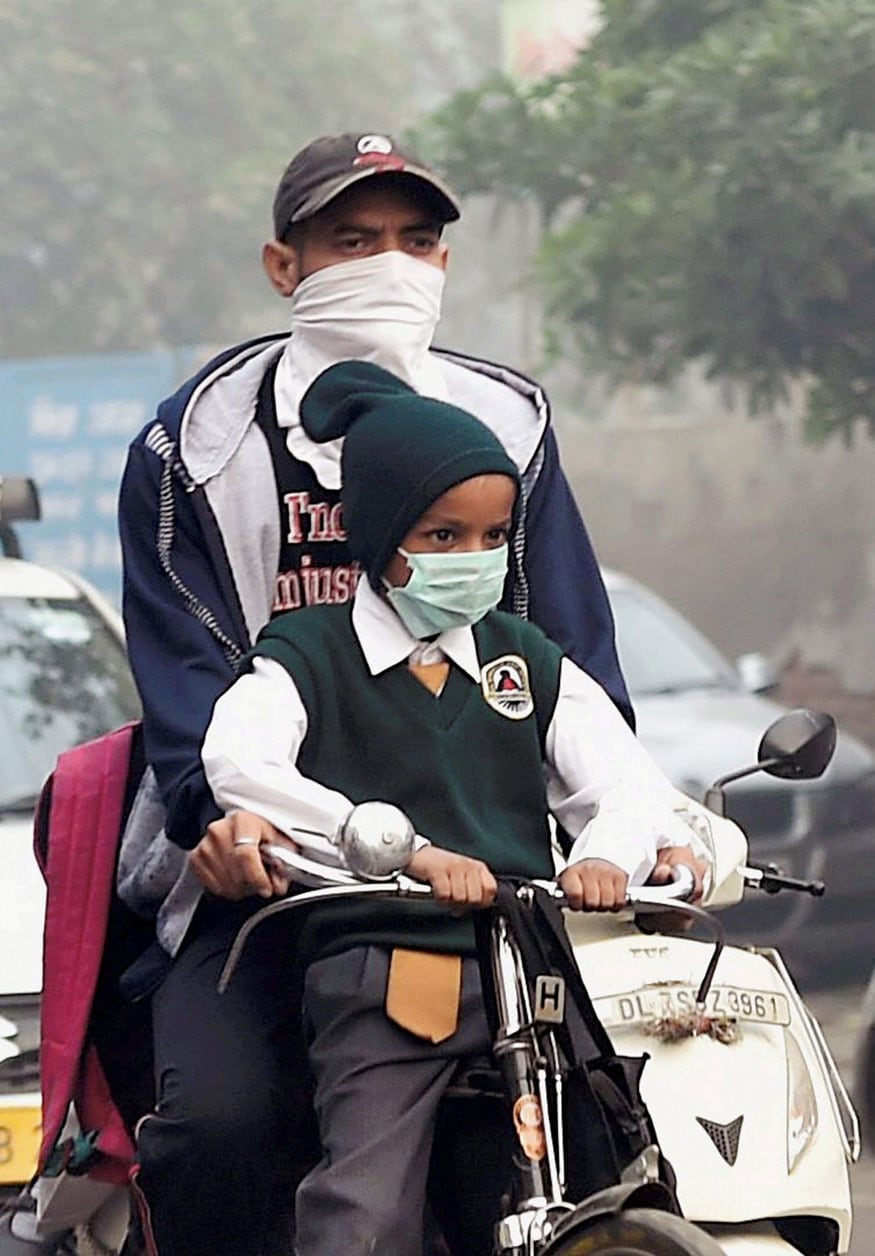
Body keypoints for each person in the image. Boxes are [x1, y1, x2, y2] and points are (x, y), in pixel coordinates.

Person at [111, 133, 634, 1256]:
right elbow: (189, 692)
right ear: (283, 266)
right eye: (352, 241)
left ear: (445, 262)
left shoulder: (509, 425)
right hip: (272, 873)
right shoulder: (192, 443)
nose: (390, 265)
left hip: (489, 876)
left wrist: (632, 829)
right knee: (219, 1128)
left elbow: (575, 666)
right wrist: (222, 821)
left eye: (416, 240)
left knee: (613, 1124)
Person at [195, 360, 713, 1256]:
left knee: (626, 1163)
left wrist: (608, 854)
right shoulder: (306, 656)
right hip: (392, 979)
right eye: (442, 535)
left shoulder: (525, 658)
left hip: (536, 973)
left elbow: (627, 782)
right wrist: (399, 850)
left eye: (492, 535)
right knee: (366, 1215)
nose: (472, 556)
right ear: (378, 535)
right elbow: (236, 762)